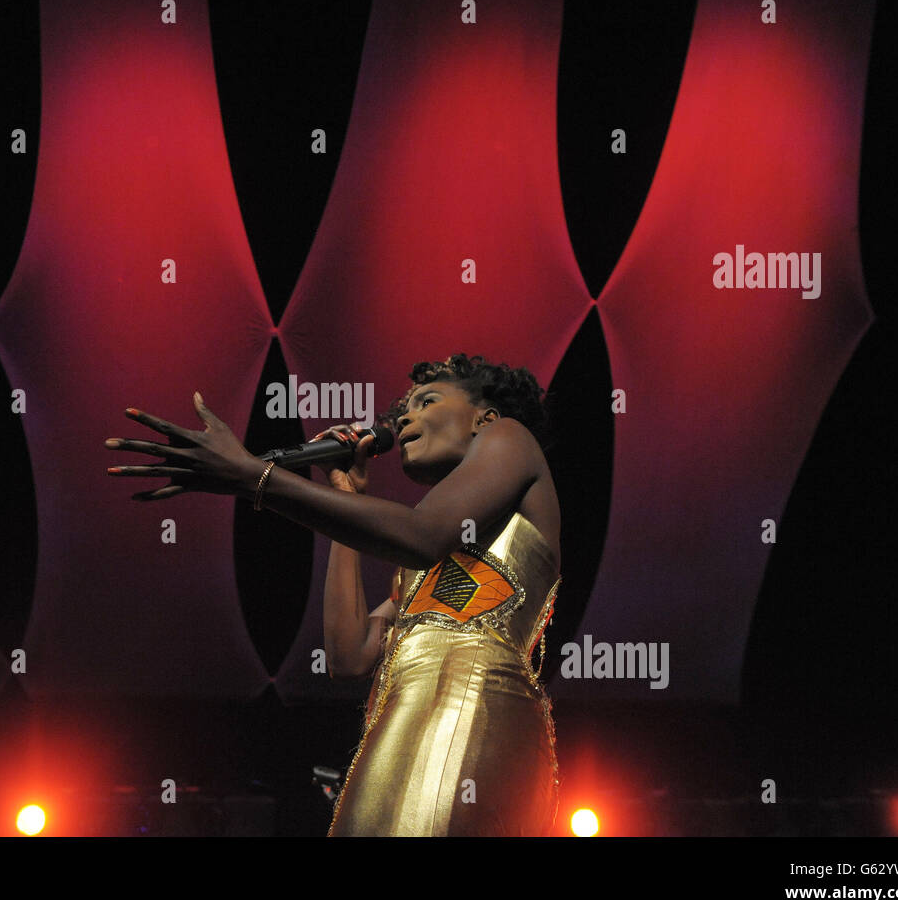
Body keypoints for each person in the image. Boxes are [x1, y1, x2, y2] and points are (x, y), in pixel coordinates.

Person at [105, 354, 561, 835]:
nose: (404, 417)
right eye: (404, 408)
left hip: (471, 710)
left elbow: (422, 532)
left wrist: (254, 477)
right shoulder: (417, 571)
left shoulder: (509, 435)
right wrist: (347, 495)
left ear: (483, 417)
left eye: (426, 401)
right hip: (402, 722)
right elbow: (348, 655)